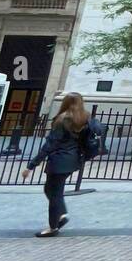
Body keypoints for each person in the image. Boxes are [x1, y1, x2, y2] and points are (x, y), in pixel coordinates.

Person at [21, 93, 97, 237]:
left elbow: (49, 145)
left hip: (59, 160)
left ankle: (53, 227)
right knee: (51, 189)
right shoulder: (85, 118)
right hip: (73, 159)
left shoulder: (62, 120)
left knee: (54, 193)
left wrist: (31, 165)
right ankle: (61, 215)